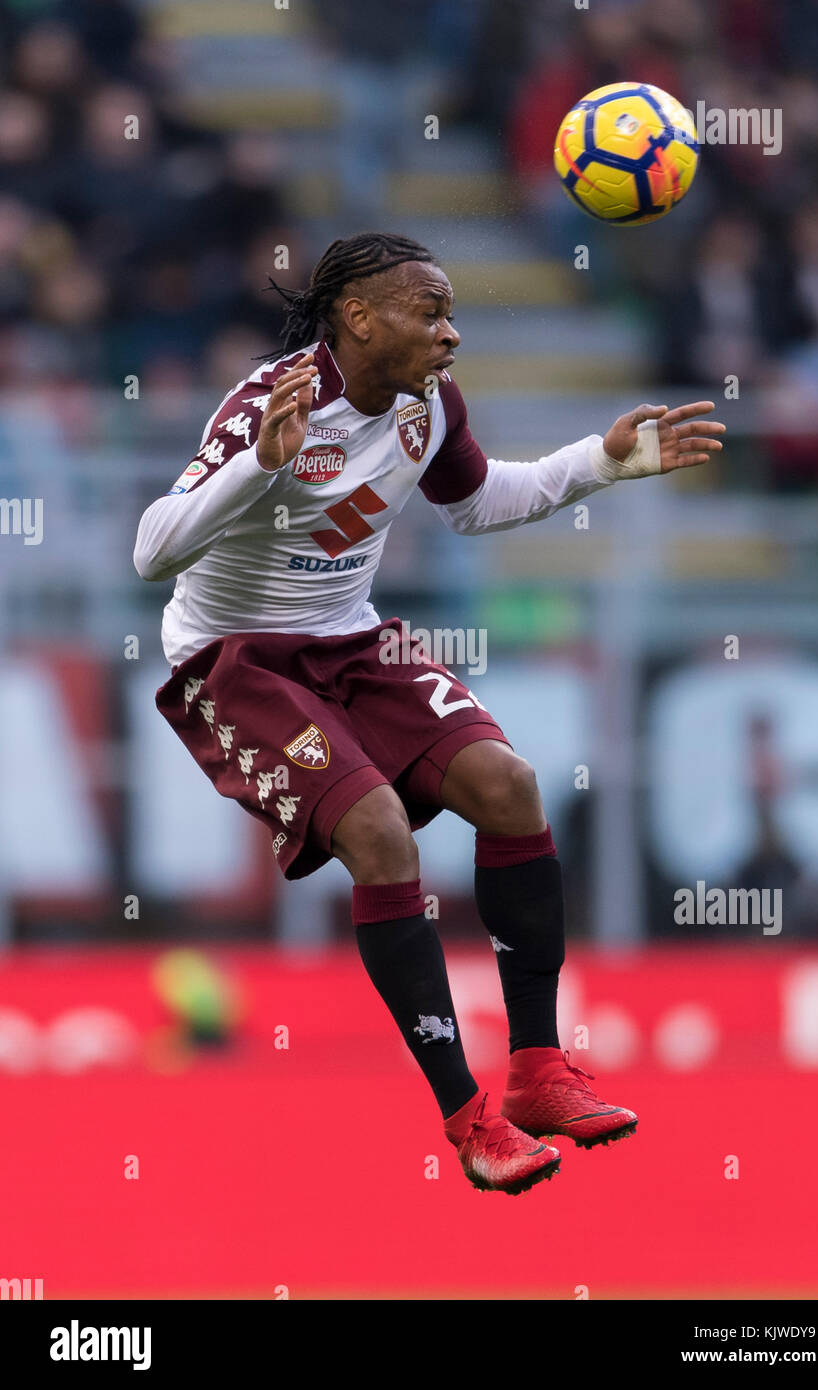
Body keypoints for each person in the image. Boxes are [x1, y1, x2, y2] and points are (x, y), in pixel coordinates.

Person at [134, 232, 725, 1195]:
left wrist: (601, 463)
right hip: (232, 657)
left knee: (509, 786)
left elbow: (479, 503)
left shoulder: (429, 403)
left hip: (352, 637)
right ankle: (468, 1119)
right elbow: (151, 552)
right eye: (431, 311)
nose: (451, 333)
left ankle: (537, 1073)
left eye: (452, 314)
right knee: (378, 835)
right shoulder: (269, 405)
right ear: (360, 316)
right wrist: (258, 469)